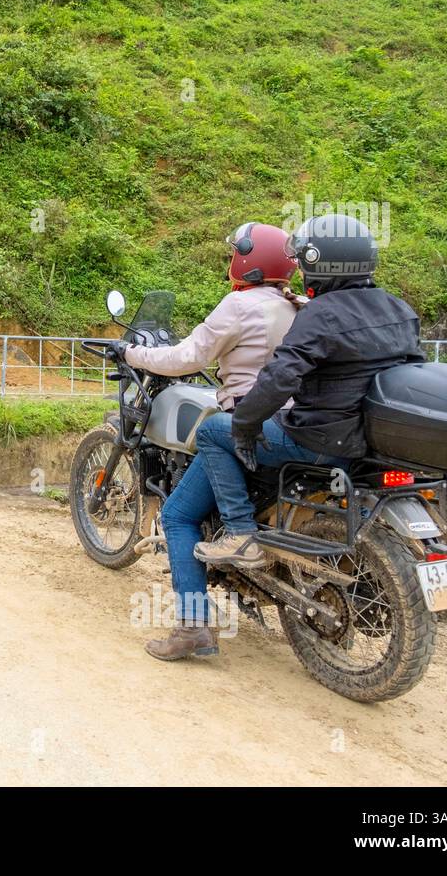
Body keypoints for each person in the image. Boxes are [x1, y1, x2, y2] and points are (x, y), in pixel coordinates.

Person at [102, 222, 302, 661]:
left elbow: (187, 357)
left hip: (249, 424)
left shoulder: (240, 304)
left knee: (177, 515)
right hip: (297, 426)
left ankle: (193, 625)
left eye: (236, 253)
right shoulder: (299, 305)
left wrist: (131, 354)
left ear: (247, 259)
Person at [192, 213, 424, 571]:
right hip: (368, 444)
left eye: (304, 263)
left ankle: (241, 535)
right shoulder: (400, 309)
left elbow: (280, 377)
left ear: (322, 265)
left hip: (319, 440)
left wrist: (245, 423)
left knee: (212, 430)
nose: (299, 271)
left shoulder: (321, 314)